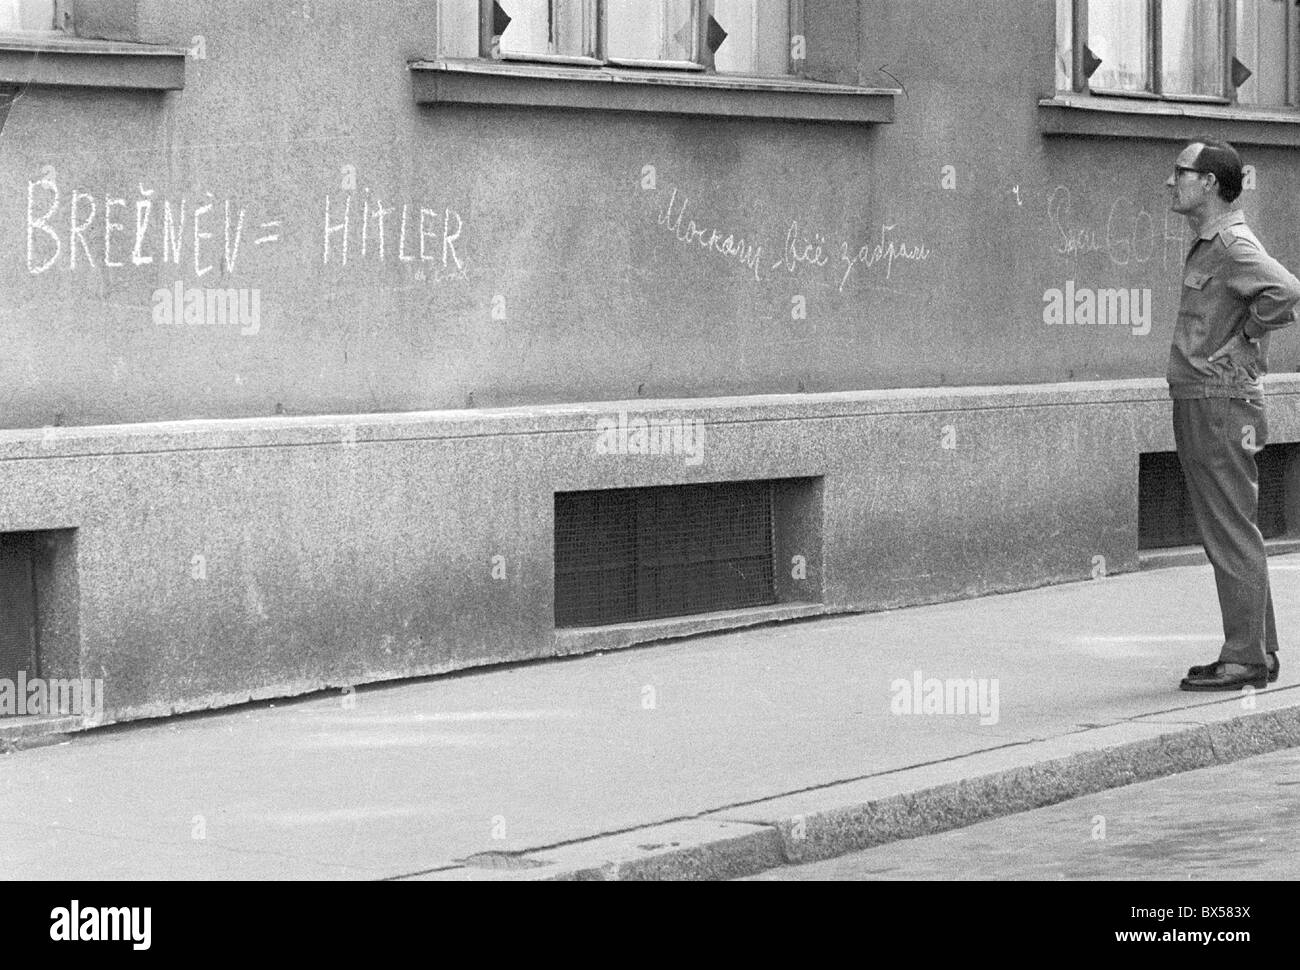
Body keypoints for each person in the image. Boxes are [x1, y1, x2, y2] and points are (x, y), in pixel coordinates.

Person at [1166, 138, 1300, 691]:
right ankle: (1256, 650)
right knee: (1234, 528)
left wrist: (1245, 336)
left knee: (1229, 531)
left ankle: (1244, 658)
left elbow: (1286, 291)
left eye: (1181, 172)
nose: (1170, 182)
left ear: (1211, 184)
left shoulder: (1230, 244)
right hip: (1211, 399)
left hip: (1219, 402)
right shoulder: (1211, 243)